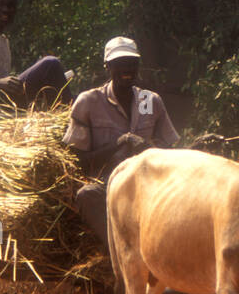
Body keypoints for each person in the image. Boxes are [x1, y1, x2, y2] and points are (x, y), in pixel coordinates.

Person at [64, 36, 180, 245]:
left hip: (149, 186)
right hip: (109, 187)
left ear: (138, 66)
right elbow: (77, 160)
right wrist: (120, 142)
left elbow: (170, 149)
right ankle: (119, 252)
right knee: (86, 195)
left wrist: (151, 149)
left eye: (131, 64)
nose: (126, 70)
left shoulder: (149, 100)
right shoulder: (89, 102)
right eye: (119, 64)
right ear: (108, 66)